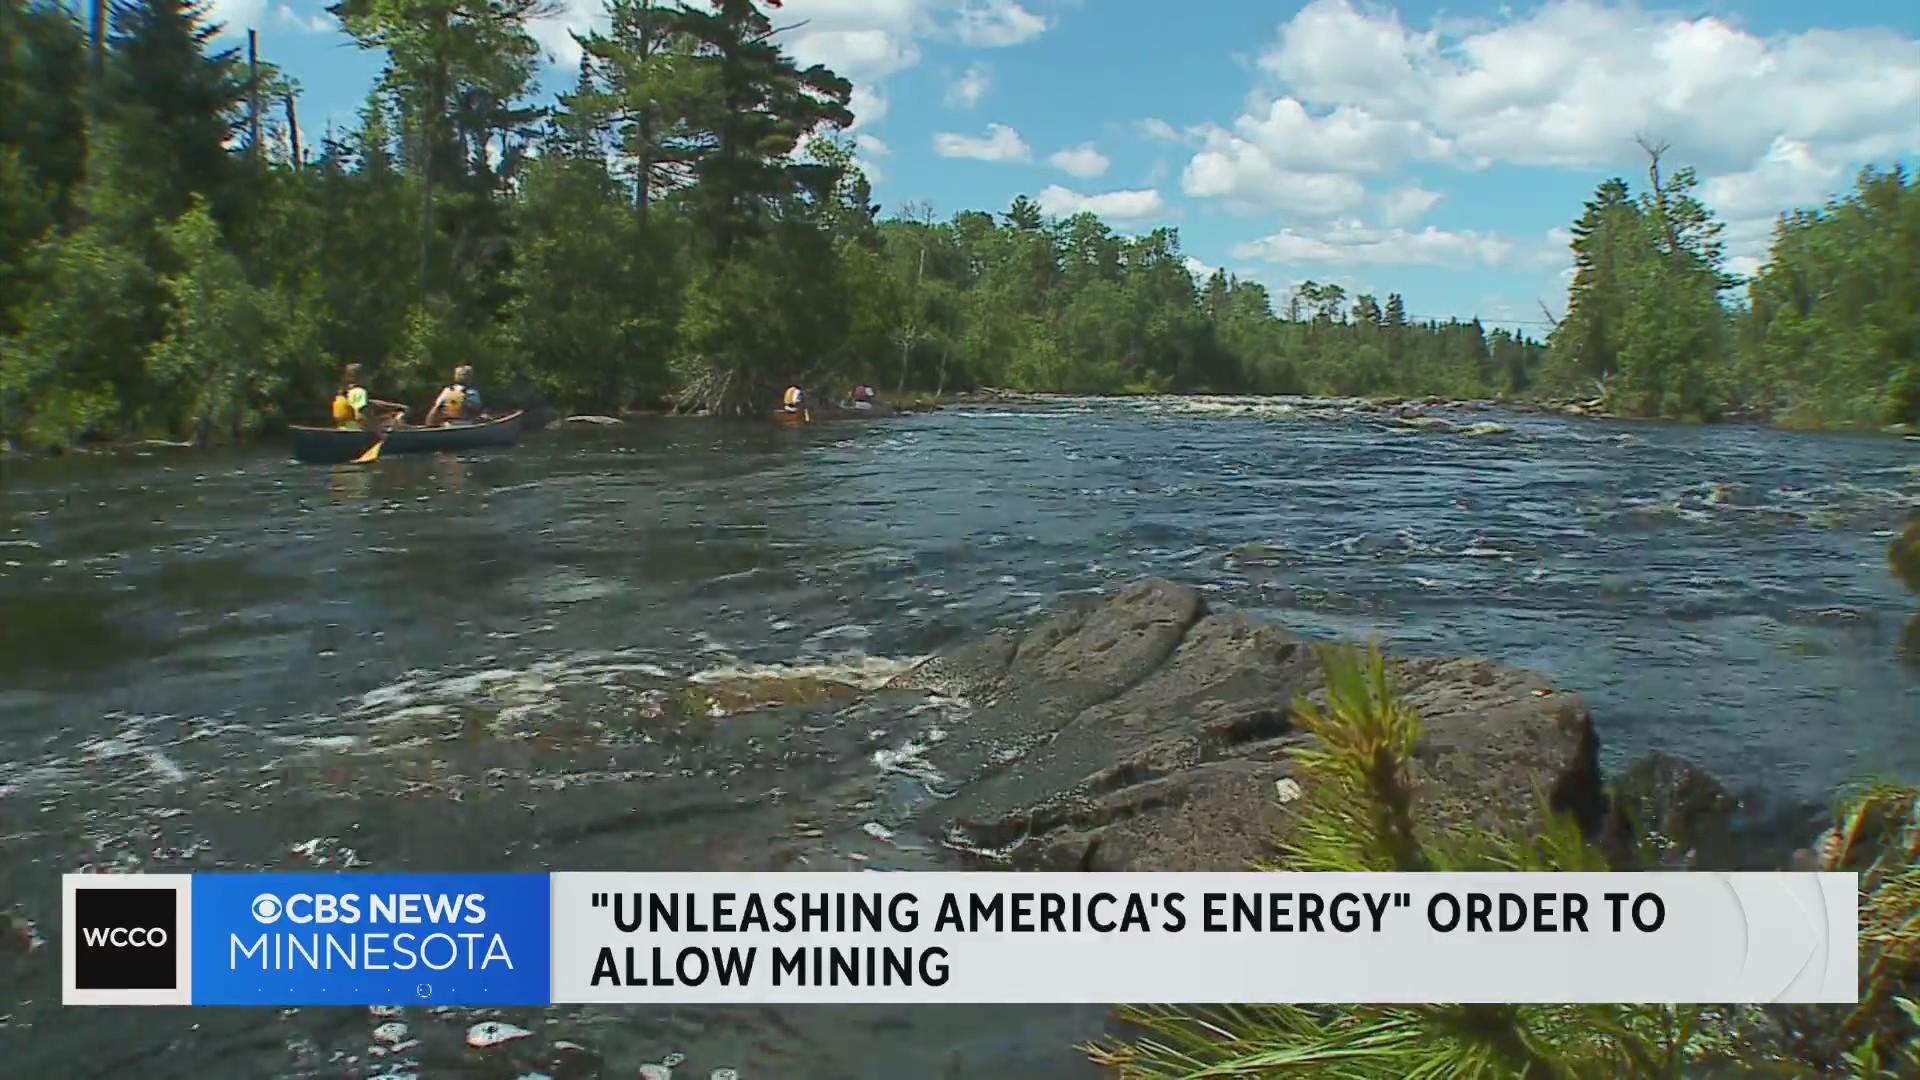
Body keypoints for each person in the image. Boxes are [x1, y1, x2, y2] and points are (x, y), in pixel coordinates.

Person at [331, 364, 407, 431]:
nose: (369, 378)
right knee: (395, 417)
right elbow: (361, 416)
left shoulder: (343, 393)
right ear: (361, 377)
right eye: (368, 375)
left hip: (343, 429)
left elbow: (363, 406)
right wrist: (379, 430)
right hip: (357, 431)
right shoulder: (359, 392)